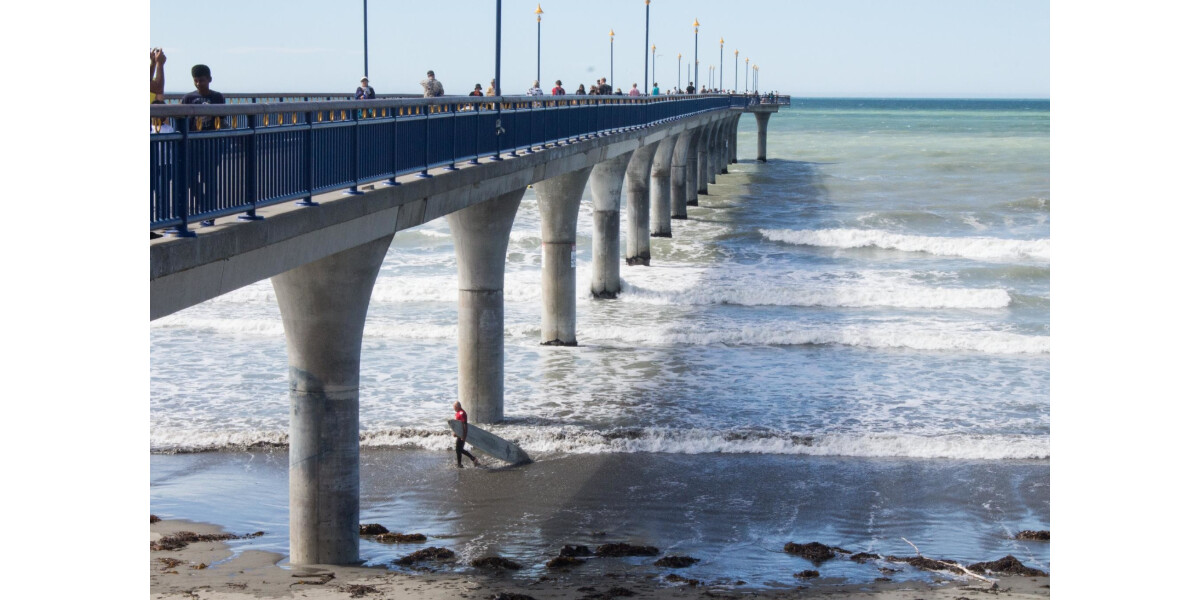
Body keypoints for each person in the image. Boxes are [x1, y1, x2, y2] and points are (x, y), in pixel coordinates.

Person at [182, 64, 226, 227]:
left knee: (210, 179)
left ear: (209, 79)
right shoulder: (188, 98)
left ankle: (210, 214)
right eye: (196, 81)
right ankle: (204, 207)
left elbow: (222, 119)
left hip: (212, 144)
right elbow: (183, 121)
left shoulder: (217, 97)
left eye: (201, 80)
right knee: (190, 179)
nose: (198, 84)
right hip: (193, 145)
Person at [452, 401, 481, 468]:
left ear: (457, 406)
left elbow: (465, 425)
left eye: (454, 407)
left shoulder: (462, 413)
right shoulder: (457, 413)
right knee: (459, 449)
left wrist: (464, 436)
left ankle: (472, 459)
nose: (454, 408)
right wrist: (455, 433)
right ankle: (461, 463)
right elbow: (458, 426)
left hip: (462, 435)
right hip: (459, 435)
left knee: (459, 449)